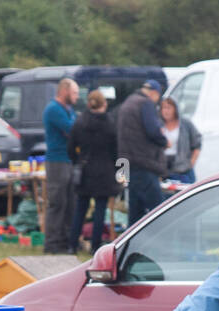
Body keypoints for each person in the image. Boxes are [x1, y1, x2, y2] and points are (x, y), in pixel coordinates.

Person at [68, 88, 120, 252]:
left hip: (85, 169)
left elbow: (70, 148)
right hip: (105, 170)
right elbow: (117, 151)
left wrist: (78, 161)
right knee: (100, 210)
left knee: (80, 209)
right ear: (104, 104)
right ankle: (95, 245)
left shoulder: (80, 122)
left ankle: (72, 244)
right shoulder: (110, 123)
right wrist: (117, 168)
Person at [116, 79, 168, 225]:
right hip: (144, 164)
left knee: (135, 214)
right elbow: (153, 131)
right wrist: (164, 141)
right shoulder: (145, 103)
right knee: (159, 211)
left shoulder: (127, 103)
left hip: (128, 164)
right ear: (154, 93)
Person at [41, 77, 79, 254]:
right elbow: (72, 129)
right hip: (57, 160)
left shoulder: (68, 110)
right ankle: (52, 242)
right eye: (74, 93)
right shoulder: (54, 109)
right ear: (64, 91)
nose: (77, 97)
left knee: (70, 202)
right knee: (57, 202)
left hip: (68, 159)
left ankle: (66, 240)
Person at [160, 96, 202, 184]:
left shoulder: (185, 124)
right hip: (163, 170)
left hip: (183, 170)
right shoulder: (158, 125)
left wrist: (191, 163)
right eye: (163, 108)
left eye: (168, 108)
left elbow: (197, 143)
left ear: (175, 109)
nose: (166, 111)